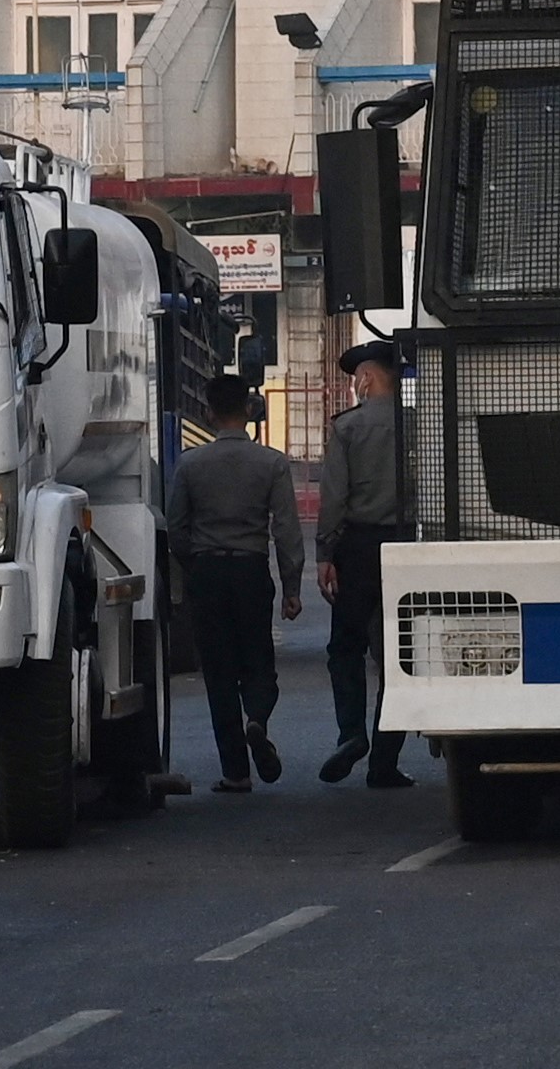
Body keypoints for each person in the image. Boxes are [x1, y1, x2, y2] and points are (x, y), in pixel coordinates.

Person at [168, 371, 302, 789]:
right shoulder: (272, 463)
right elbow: (286, 530)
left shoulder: (190, 464)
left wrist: (194, 564)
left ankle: (235, 772)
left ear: (209, 413)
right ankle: (257, 718)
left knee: (219, 671)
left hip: (207, 572)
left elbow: (176, 527)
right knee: (258, 659)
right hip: (250, 569)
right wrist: (292, 587)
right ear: (248, 409)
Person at [315, 336, 410, 786]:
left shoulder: (347, 428)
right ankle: (384, 763)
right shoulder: (421, 423)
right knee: (401, 655)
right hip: (410, 547)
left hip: (358, 549)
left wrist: (325, 555)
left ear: (367, 379)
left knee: (345, 648)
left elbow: (334, 498)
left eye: (357, 379)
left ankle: (351, 733)